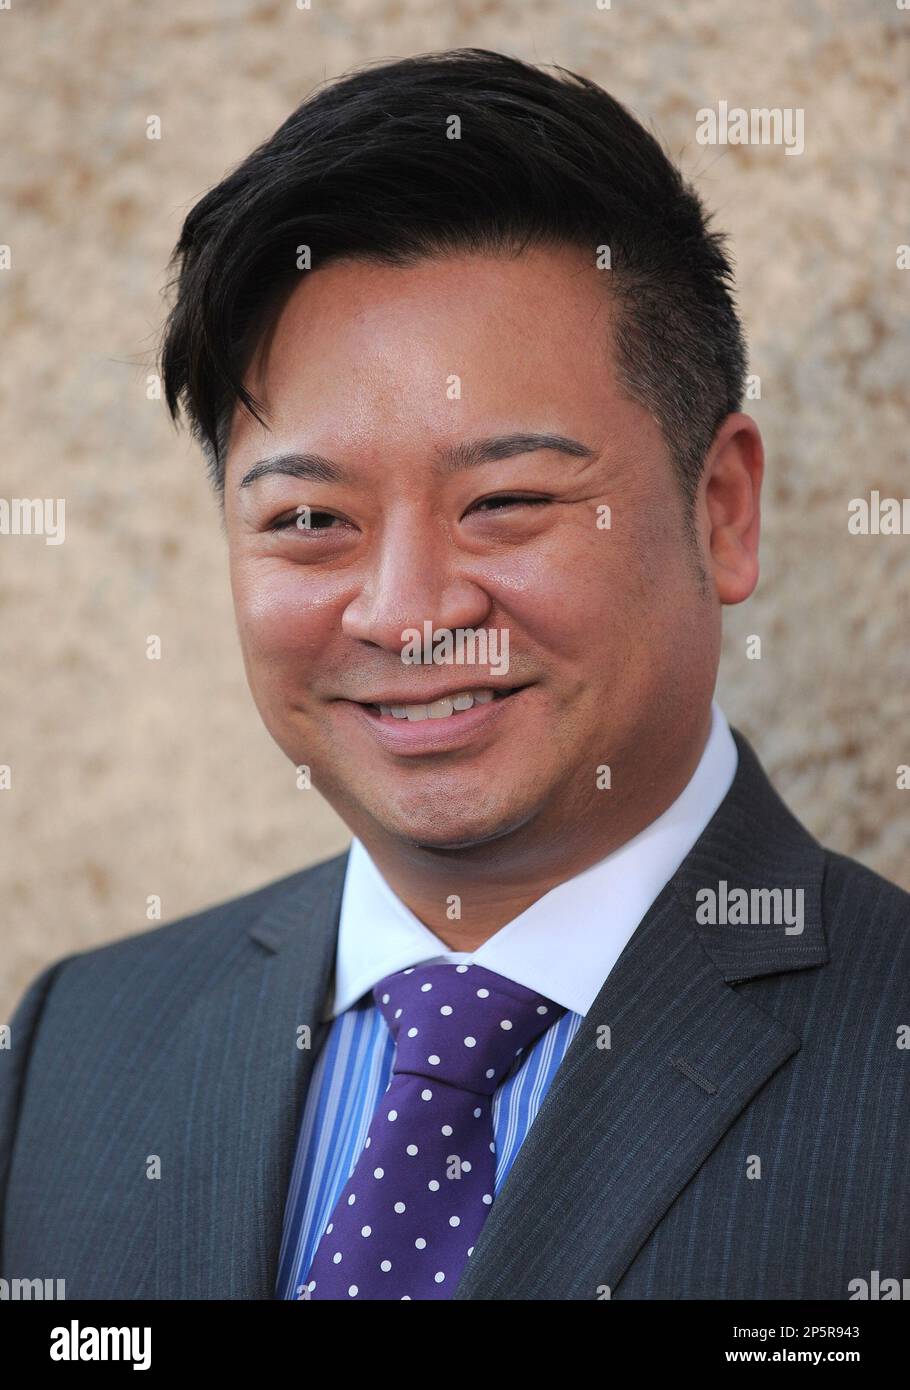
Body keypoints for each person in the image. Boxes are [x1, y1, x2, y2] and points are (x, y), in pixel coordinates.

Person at [2, 48, 907, 1302]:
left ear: (722, 510)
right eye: (311, 520)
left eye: (509, 500)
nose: (408, 613)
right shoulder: (77, 1048)